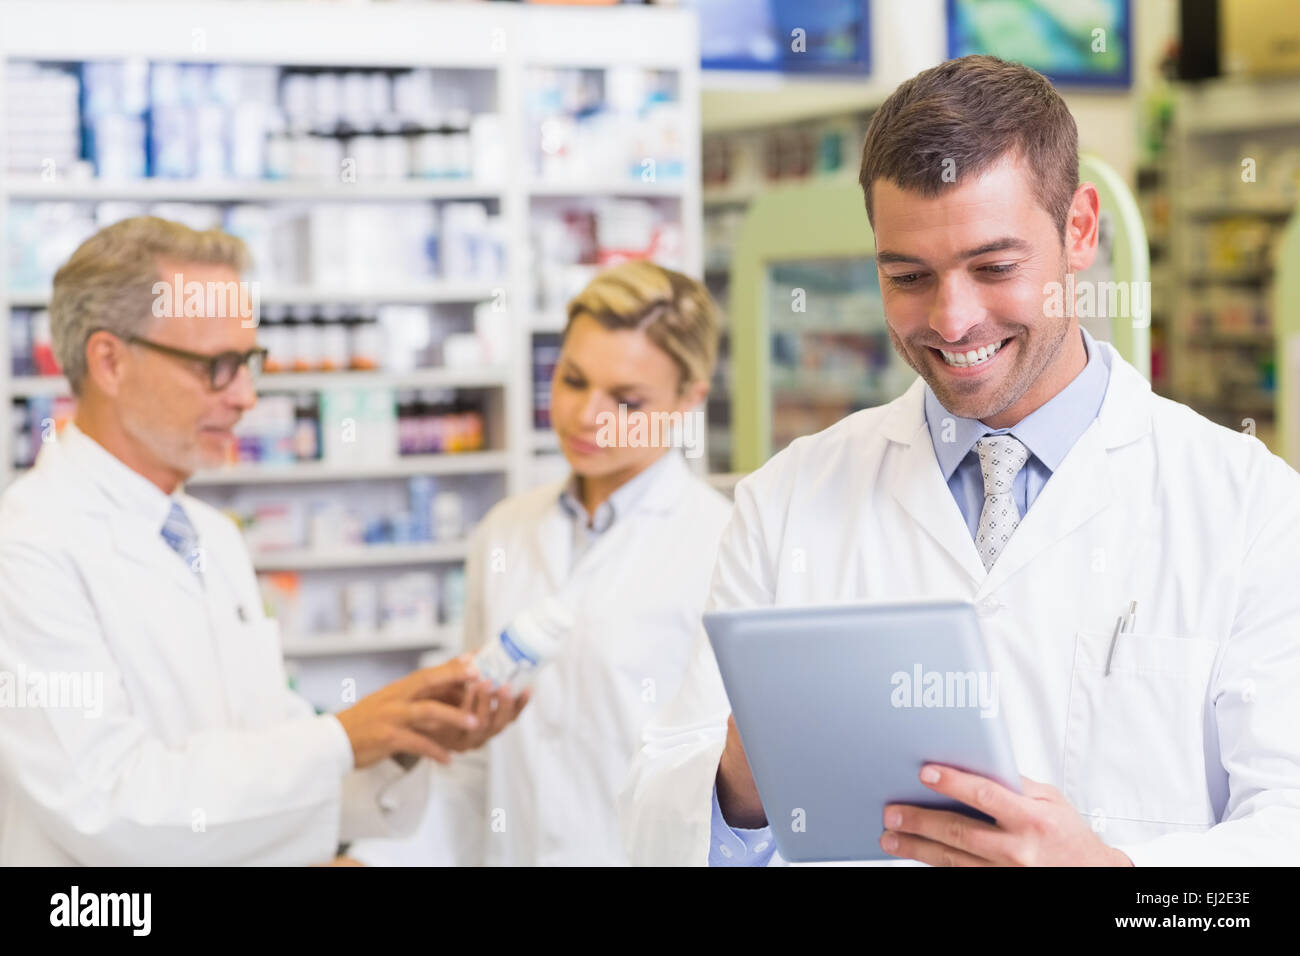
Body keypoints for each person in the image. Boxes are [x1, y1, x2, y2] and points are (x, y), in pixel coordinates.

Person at [620, 55, 1300, 867]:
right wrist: (743, 780)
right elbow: (658, 826)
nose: (953, 320)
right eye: (908, 276)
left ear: (1079, 230)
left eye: (994, 267)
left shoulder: (1250, 505)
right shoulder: (788, 501)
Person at [0, 217, 524, 865]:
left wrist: (401, 738)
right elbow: (108, 804)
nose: (247, 396)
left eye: (249, 361)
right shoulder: (27, 549)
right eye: (217, 366)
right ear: (109, 360)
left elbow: (262, 762)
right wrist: (339, 739)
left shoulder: (211, 538)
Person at [349, 261, 732, 865]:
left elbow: (731, 788)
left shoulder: (724, 547)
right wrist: (374, 860)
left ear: (689, 399)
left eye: (627, 401)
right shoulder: (504, 531)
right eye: (573, 380)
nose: (586, 416)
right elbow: (475, 768)